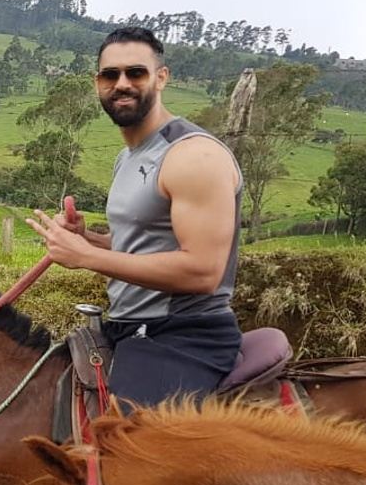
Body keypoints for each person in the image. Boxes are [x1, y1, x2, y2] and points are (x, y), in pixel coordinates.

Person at [26, 27, 244, 407]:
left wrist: (86, 258)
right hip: (129, 328)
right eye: (110, 75)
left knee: (122, 450)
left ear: (162, 77)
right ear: (98, 83)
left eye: (135, 73)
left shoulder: (193, 156)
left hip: (184, 336)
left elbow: (203, 271)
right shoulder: (128, 157)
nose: (121, 84)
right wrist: (89, 239)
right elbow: (146, 247)